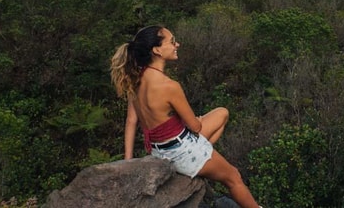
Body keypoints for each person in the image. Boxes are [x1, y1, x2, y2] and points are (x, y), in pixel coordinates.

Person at [110, 25, 262, 208]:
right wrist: (194, 121)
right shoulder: (168, 86)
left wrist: (128, 162)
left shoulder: (135, 80)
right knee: (233, 177)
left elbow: (131, 121)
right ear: (157, 50)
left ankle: (199, 163)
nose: (177, 44)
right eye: (172, 41)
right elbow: (196, 127)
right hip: (182, 150)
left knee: (222, 113)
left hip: (159, 152)